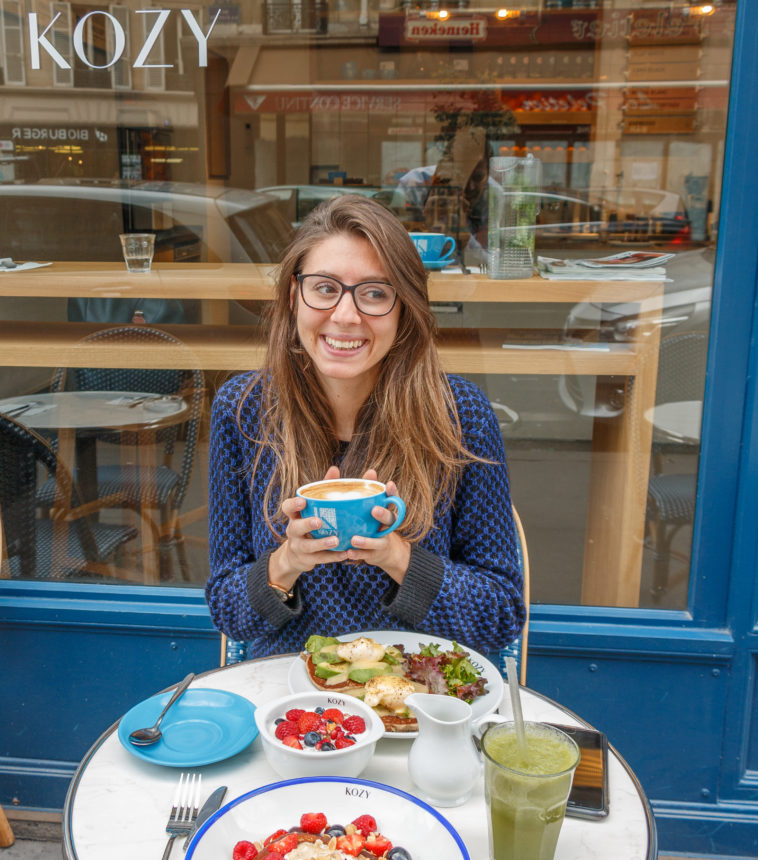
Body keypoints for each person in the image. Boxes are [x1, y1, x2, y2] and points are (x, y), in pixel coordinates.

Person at [205, 194, 525, 659]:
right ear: (294, 296)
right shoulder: (243, 410)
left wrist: (397, 557)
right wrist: (287, 562)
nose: (345, 316)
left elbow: (499, 618)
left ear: (404, 309)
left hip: (421, 686)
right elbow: (227, 612)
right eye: (325, 288)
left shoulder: (460, 414)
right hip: (290, 688)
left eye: (375, 293)